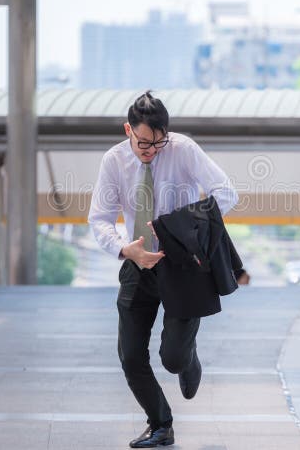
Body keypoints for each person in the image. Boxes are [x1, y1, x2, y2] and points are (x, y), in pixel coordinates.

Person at [88, 91, 239, 448]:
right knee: (130, 356)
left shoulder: (183, 149)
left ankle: (187, 358)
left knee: (171, 359)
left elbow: (226, 193)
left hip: (182, 265)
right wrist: (125, 249)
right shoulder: (114, 161)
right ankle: (161, 424)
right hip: (137, 262)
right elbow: (100, 219)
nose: (151, 151)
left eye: (158, 143)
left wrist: (179, 227)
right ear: (128, 130)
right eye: (143, 143)